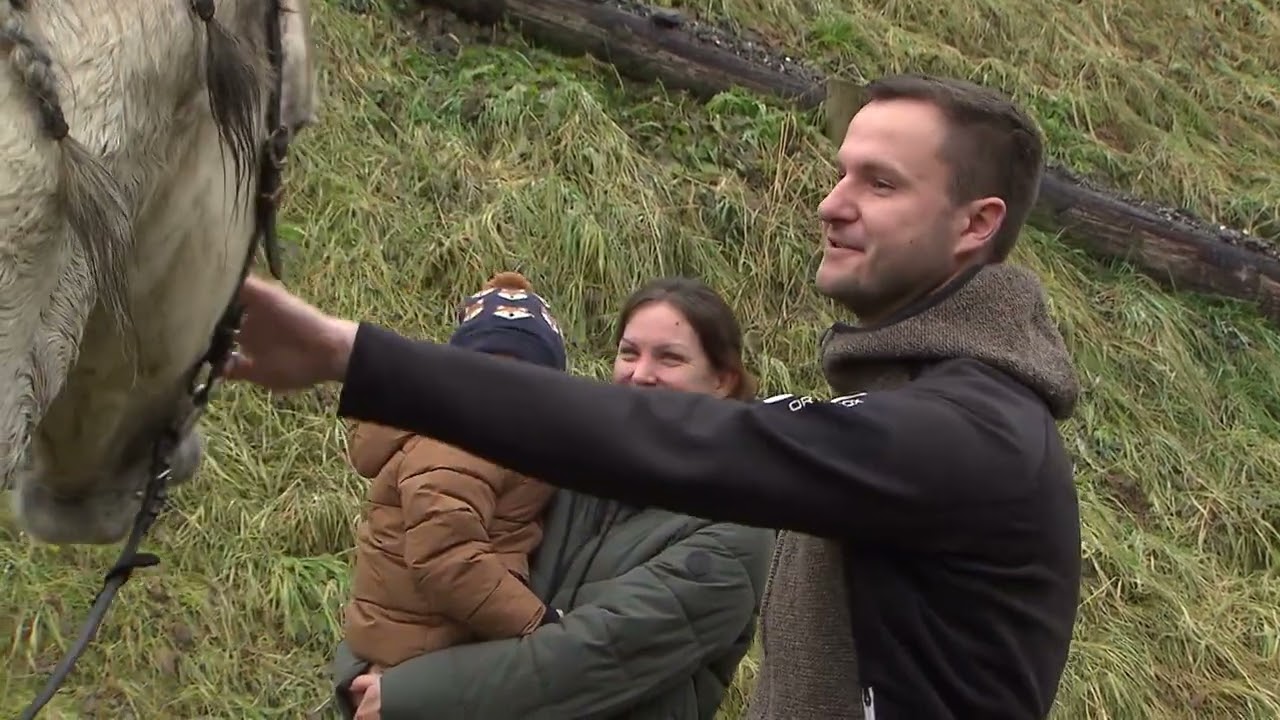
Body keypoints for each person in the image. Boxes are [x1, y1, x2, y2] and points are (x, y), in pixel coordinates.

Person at [227, 73, 1082, 720]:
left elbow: (671, 444)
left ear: (976, 224)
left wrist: (352, 354)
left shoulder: (973, 431)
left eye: (880, 184)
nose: (831, 205)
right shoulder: (920, 404)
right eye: (839, 174)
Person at [330, 277, 774, 719]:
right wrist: (360, 669)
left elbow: (586, 660)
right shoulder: (564, 461)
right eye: (629, 353)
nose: (640, 375)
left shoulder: (731, 531)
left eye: (670, 358)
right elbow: (406, 562)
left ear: (722, 380)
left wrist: (403, 693)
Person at [338, 271, 568, 718]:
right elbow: (448, 558)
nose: (505, 385)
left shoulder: (498, 440)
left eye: (526, 372)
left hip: (427, 642)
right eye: (487, 367)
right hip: (416, 653)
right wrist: (536, 623)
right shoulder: (455, 444)